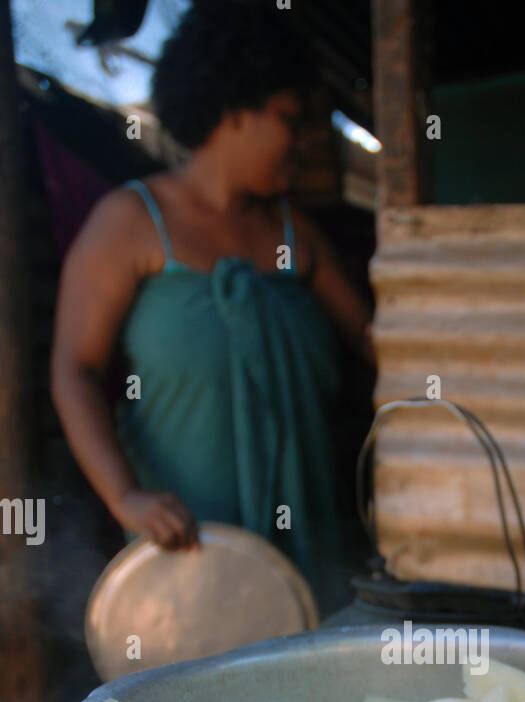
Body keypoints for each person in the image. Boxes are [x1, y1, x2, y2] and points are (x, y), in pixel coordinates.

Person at [51, 3, 375, 617]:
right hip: (187, 549)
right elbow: (75, 370)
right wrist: (126, 497)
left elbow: (371, 340)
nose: (303, 143)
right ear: (233, 110)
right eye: (288, 119)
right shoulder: (131, 223)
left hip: (306, 542)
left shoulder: (293, 234)